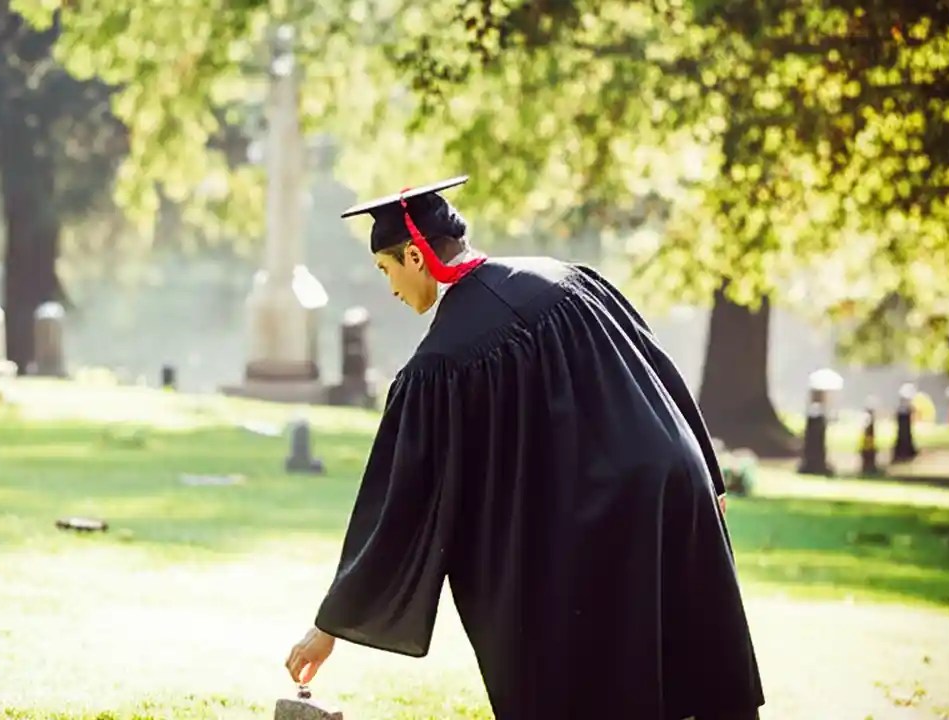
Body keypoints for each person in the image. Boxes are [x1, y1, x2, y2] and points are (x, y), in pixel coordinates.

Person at [283, 176, 764, 720]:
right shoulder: (563, 279)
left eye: (386, 269)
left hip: (607, 521)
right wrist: (709, 473)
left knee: (591, 683)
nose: (389, 288)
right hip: (676, 485)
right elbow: (655, 364)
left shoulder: (439, 363)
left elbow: (400, 506)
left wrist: (329, 625)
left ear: (415, 256)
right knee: (694, 678)